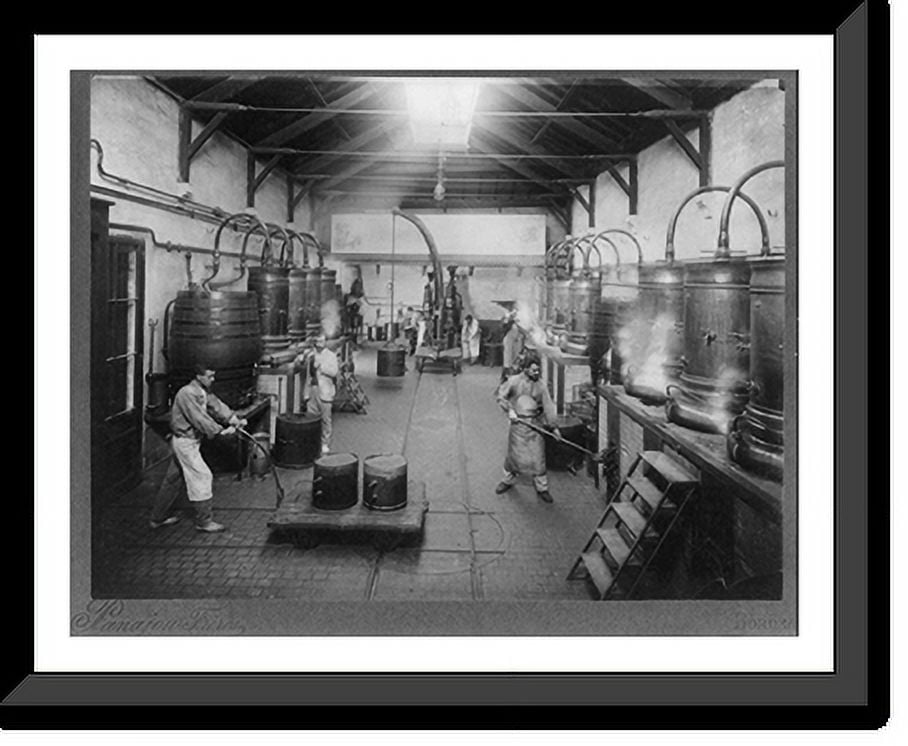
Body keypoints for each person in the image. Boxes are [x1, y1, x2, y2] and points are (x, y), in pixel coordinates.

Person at [149, 364, 247, 532]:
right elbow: (199, 419)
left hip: (189, 441)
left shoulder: (202, 391)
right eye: (210, 376)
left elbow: (216, 405)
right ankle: (204, 521)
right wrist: (220, 432)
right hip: (185, 443)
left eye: (213, 375)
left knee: (173, 479)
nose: (213, 379)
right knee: (202, 476)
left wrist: (233, 419)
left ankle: (157, 518)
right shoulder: (187, 393)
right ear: (198, 376)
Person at [495, 353, 560, 503]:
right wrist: (509, 410)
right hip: (518, 425)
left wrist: (554, 427)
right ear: (525, 369)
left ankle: (542, 488)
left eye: (538, 370)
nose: (536, 373)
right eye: (533, 370)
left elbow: (549, 406)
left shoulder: (541, 385)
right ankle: (507, 480)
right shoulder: (514, 381)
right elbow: (501, 396)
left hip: (536, 425)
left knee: (538, 459)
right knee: (514, 458)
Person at [296, 333, 339, 455]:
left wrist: (321, 366)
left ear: (325, 342)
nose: (319, 343)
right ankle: (312, 444)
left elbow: (334, 372)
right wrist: (300, 360)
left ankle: (325, 444)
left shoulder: (331, 356)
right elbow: (300, 367)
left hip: (325, 392)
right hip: (311, 391)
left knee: (326, 420)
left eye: (322, 340)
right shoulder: (310, 354)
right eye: (317, 340)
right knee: (311, 419)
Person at [501, 308, 526, 382]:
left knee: (515, 358)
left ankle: (514, 375)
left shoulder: (518, 324)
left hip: (516, 342)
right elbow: (504, 323)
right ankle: (506, 376)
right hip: (509, 341)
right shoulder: (510, 323)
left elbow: (522, 332)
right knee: (508, 358)